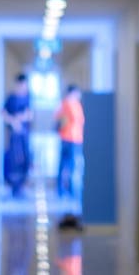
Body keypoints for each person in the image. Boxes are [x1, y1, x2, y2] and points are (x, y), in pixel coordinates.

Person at [55, 84, 85, 224]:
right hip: (70, 139)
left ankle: (65, 191)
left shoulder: (70, 104)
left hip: (72, 138)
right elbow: (60, 120)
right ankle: (68, 191)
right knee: (69, 166)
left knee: (67, 166)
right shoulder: (68, 104)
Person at [2, 73, 33, 198]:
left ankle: (21, 186)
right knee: (13, 160)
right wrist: (12, 121)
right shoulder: (11, 98)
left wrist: (21, 118)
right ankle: (13, 187)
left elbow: (30, 115)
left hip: (24, 134)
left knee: (24, 159)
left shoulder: (28, 98)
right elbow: (3, 113)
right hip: (13, 135)